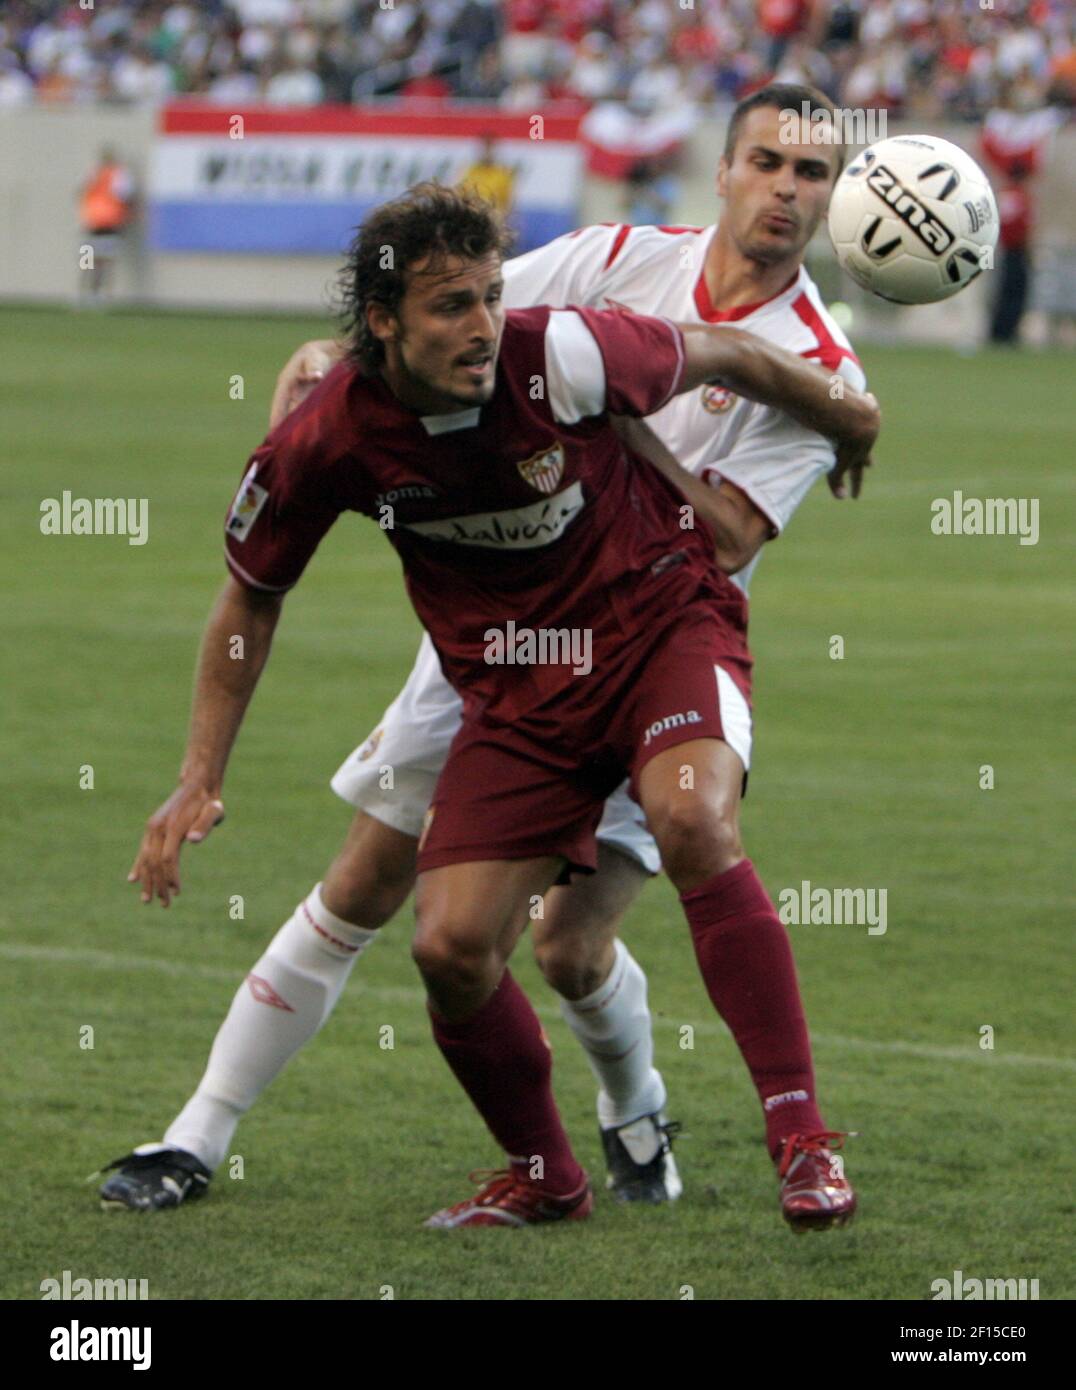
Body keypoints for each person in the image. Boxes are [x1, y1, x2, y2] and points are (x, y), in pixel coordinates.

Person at [103, 85, 878, 1231]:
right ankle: (200, 1131)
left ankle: (738, 1132)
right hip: (492, 651)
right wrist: (331, 354)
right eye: (766, 160)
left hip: (654, 626)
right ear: (720, 169)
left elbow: (718, 527)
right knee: (416, 913)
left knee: (605, 911)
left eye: (810, 173)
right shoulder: (608, 264)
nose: (784, 188)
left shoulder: (798, 353)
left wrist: (839, 413)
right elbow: (451, 307)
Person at [77, 147, 135, 305]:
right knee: (99, 260)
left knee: (95, 260)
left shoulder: (96, 173)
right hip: (104, 222)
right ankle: (94, 294)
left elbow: (81, 191)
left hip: (99, 222)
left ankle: (91, 294)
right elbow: (126, 196)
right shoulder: (118, 175)